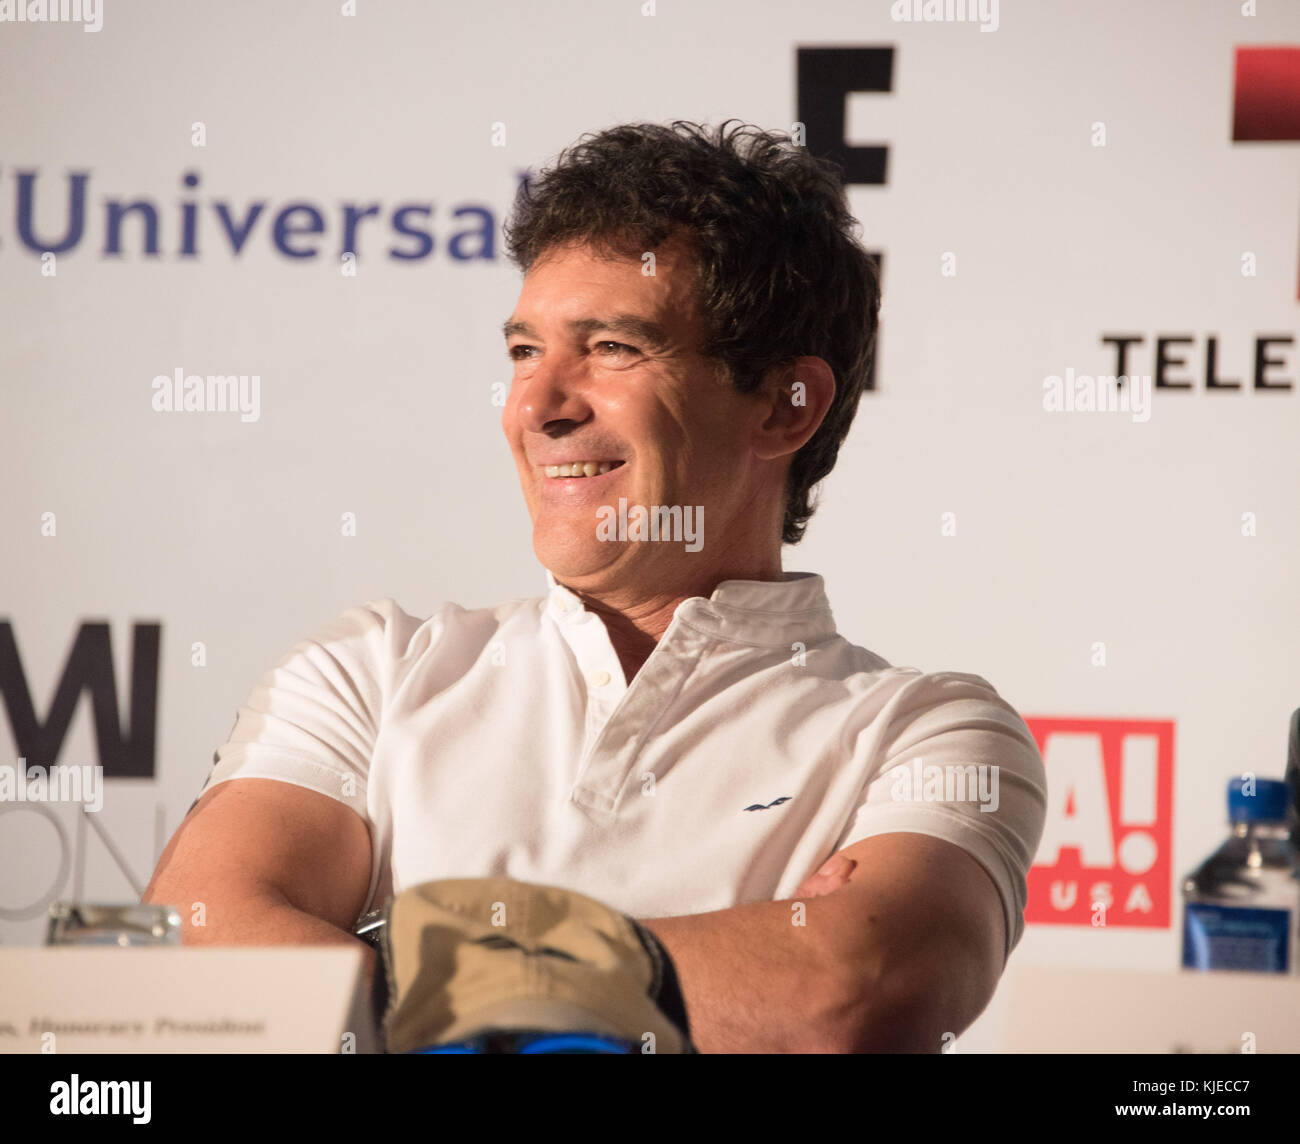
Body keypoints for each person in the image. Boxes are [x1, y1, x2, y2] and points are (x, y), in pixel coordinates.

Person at [142, 119, 1047, 1053]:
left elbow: (847, 990)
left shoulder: (927, 731)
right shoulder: (370, 672)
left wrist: (372, 956)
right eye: (525, 351)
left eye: (612, 346)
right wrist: (703, 980)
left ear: (786, 406)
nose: (537, 405)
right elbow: (195, 955)